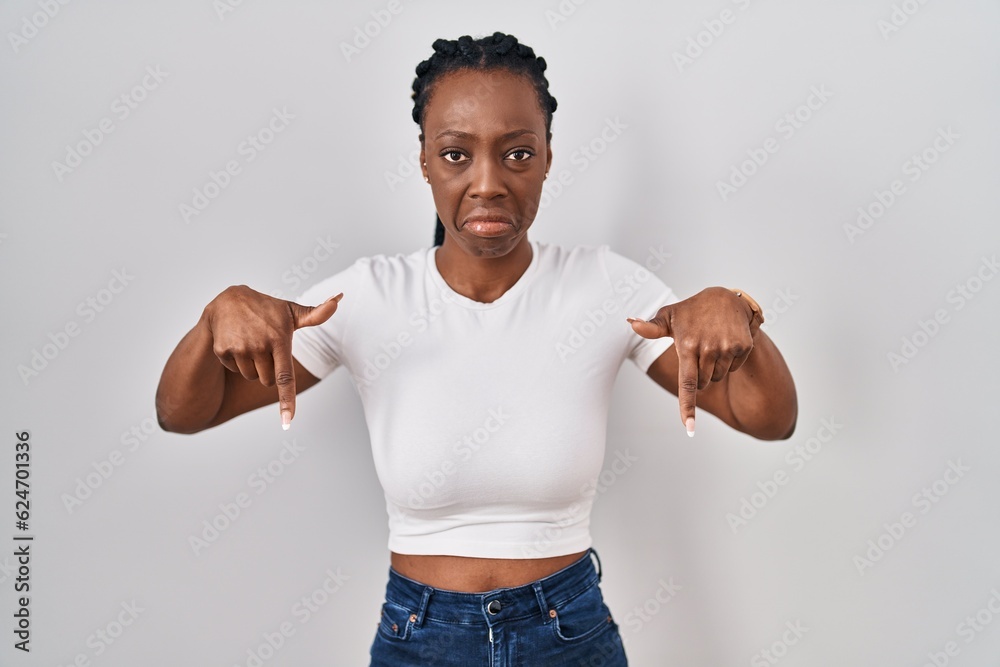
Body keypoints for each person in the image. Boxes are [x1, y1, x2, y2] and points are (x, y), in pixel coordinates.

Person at [156, 32, 797, 666]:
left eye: (517, 153)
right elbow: (185, 411)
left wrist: (741, 312)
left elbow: (768, 418)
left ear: (547, 156)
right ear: (425, 161)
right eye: (457, 155)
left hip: (568, 635)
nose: (487, 182)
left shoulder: (605, 287)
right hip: (419, 637)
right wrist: (214, 319)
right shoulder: (367, 298)